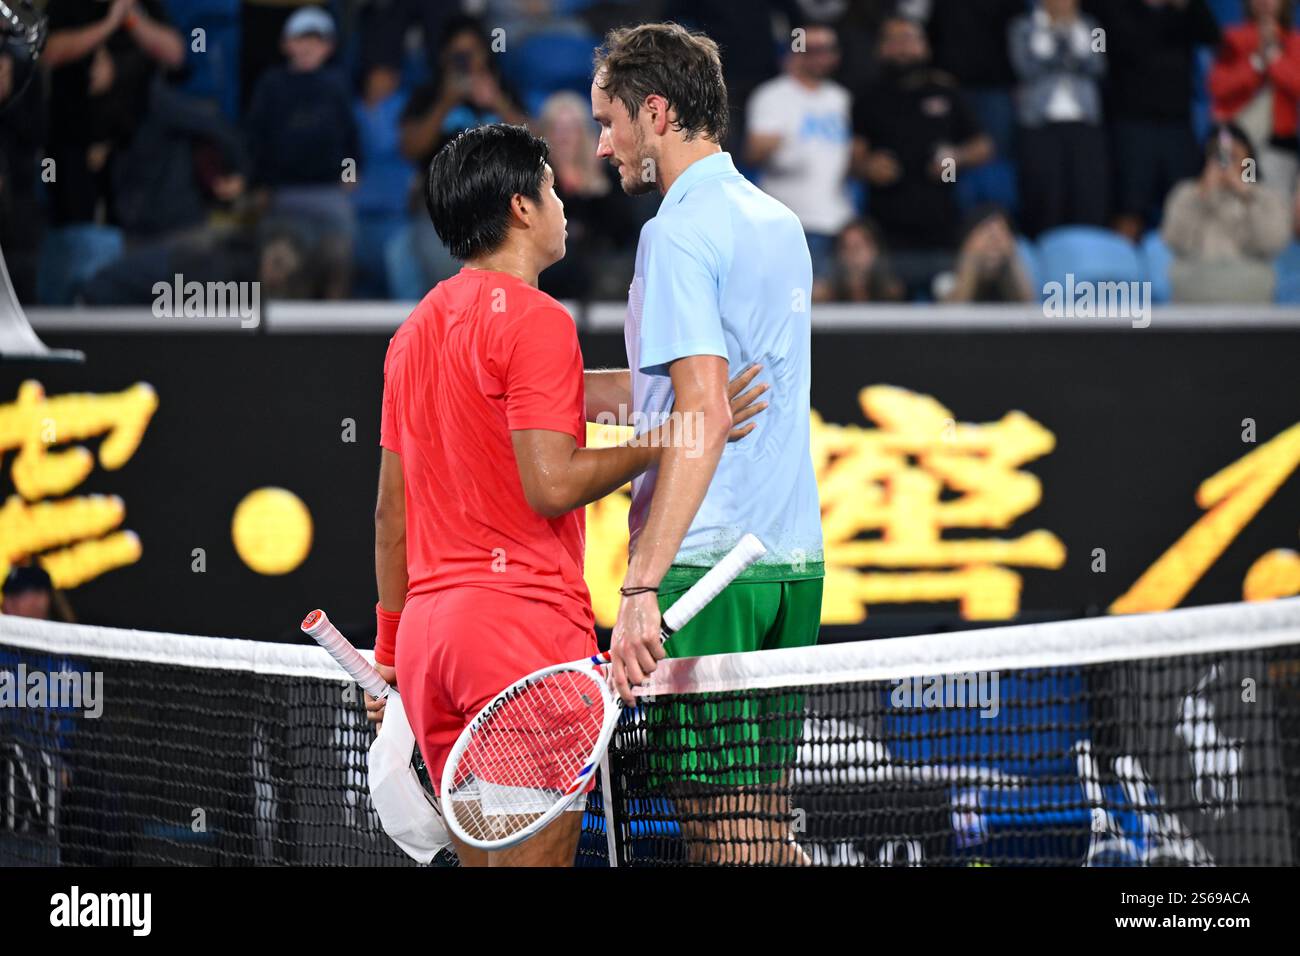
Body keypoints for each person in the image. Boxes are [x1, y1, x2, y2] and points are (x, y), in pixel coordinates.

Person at [365, 123, 767, 867]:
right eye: (551, 188)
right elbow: (550, 484)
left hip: (430, 647)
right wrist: (682, 435)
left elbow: (393, 514)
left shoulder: (413, 334)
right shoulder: (539, 319)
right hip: (519, 645)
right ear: (521, 207)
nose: (562, 204)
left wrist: (390, 652)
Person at [591, 22, 825, 865]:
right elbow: (693, 398)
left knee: (721, 839)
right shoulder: (780, 221)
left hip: (703, 574)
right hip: (789, 564)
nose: (603, 144)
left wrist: (641, 584)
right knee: (760, 827)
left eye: (610, 120)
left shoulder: (675, 233)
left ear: (655, 113)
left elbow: (702, 414)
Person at [851, 16, 994, 298]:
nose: (902, 47)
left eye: (909, 39)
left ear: (925, 46)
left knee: (948, 309)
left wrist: (955, 158)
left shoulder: (946, 92)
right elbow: (854, 158)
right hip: (886, 229)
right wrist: (868, 167)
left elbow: (983, 146)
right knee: (889, 312)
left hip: (942, 228)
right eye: (894, 40)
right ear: (880, 49)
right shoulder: (867, 97)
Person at [398, 15, 529, 288]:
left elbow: (534, 146)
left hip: (498, 207)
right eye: (457, 54)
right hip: (441, 210)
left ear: (484, 54)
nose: (465, 61)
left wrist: (498, 103)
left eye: (471, 53)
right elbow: (410, 148)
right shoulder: (428, 95)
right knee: (443, 262)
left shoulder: (501, 91)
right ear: (444, 57)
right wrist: (446, 102)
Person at [244, 7, 358, 300]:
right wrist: (259, 185)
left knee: (338, 264)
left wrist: (350, 173)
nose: (308, 45)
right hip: (284, 199)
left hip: (329, 197)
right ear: (285, 44)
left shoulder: (337, 85)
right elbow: (256, 138)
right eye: (301, 37)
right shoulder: (271, 85)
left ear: (329, 47)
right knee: (279, 272)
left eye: (317, 39)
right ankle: (276, 345)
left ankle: (337, 340)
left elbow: (351, 138)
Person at [1084, 0, 1221, 241]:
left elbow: (1212, 35)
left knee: (1188, 207)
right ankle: (1121, 274)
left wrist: (1186, 5)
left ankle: (1187, 273)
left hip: (1178, 124)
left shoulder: (1184, 7)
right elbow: (1106, 48)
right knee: (1128, 210)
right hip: (1130, 125)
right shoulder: (1111, 8)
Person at [745, 23, 856, 278]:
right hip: (788, 220)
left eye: (826, 49)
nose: (820, 56)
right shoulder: (772, 95)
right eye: (812, 49)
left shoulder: (841, 99)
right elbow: (753, 153)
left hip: (838, 220)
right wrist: (772, 145)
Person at [1009, 0, 1110, 238]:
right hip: (1040, 124)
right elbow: (1024, 68)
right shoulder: (1022, 27)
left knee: (1087, 192)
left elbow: (1099, 66)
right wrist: (1053, 38)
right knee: (1046, 195)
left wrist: (1073, 35)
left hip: (1084, 122)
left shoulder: (1094, 27)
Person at [1161, 123, 1292, 302]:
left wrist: (1247, 195)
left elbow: (1272, 243)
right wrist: (1202, 196)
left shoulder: (1266, 198)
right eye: (1219, 157)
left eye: (1234, 157)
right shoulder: (1186, 194)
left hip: (1248, 291)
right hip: (1196, 290)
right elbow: (1174, 241)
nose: (1226, 165)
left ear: (1249, 162)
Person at [1208, 0, 1300, 202]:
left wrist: (1275, 59)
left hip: (1277, 146)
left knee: (1273, 207)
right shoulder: (1234, 38)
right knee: (1238, 201)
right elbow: (1218, 87)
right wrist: (1256, 62)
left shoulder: (1294, 42)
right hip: (1236, 144)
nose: (1265, 2)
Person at [938, 204, 1036, 303]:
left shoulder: (1013, 269)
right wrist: (970, 257)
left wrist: (1012, 256)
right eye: (987, 235)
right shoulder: (946, 276)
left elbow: (1028, 306)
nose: (994, 241)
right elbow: (953, 311)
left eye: (1001, 233)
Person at [812, 218, 905, 303]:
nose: (851, 255)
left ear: (874, 250)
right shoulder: (824, 294)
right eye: (845, 248)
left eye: (857, 248)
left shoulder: (892, 293)